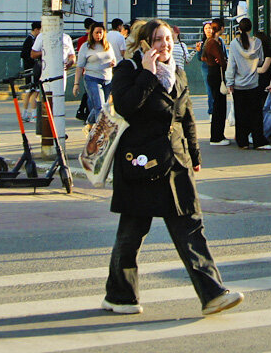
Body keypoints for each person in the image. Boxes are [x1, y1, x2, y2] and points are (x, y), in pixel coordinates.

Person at [103, 18, 243, 317]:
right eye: (157, 39)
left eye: (167, 39)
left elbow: (186, 115)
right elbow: (126, 106)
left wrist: (194, 153)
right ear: (144, 43)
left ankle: (213, 294)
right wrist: (147, 73)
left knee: (191, 226)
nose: (164, 45)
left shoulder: (177, 72)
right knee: (132, 232)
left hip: (176, 162)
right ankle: (119, 295)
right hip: (141, 164)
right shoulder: (128, 69)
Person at [225, 19, 271, 150]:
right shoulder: (257, 42)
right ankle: (258, 140)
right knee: (255, 114)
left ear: (239, 29)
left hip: (238, 84)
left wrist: (229, 81)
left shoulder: (234, 44)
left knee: (240, 114)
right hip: (253, 83)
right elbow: (261, 60)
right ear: (251, 28)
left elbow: (231, 64)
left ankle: (242, 142)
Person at [29, 26, 75, 122]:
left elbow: (72, 55)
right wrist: (46, 52)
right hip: (47, 71)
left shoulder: (66, 37)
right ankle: (44, 120)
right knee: (47, 96)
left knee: (59, 95)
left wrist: (71, 61)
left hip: (62, 71)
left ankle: (57, 120)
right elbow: (33, 54)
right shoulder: (42, 36)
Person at [75, 22, 116, 127]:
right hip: (92, 78)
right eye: (96, 33)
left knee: (103, 107)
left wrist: (113, 63)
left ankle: (89, 122)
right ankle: (100, 130)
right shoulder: (86, 47)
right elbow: (79, 66)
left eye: (101, 33)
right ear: (92, 33)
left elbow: (114, 59)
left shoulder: (108, 45)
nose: (99, 35)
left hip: (107, 79)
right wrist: (76, 84)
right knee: (100, 106)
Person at [198, 19, 229, 145]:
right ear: (221, 28)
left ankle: (218, 135)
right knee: (219, 107)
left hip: (214, 74)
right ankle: (217, 137)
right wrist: (222, 61)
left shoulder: (210, 42)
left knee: (218, 105)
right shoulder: (214, 43)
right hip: (216, 75)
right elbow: (222, 60)